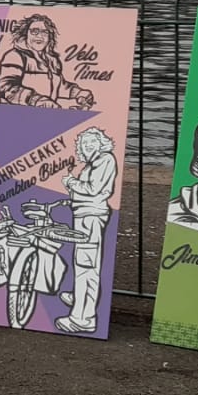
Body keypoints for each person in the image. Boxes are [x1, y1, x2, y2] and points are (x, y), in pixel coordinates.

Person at [57, 128, 118, 334]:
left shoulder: (105, 160)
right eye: (84, 143)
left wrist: (70, 182)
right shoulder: (93, 163)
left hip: (91, 216)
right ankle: (79, 297)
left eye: (92, 142)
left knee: (86, 265)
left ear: (101, 143)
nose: (87, 146)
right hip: (85, 214)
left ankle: (83, 318)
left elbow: (92, 189)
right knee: (83, 260)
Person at [0, 14, 95, 110]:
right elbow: (7, 87)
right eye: (34, 31)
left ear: (49, 37)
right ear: (25, 34)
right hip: (15, 113)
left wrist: (78, 93)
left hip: (43, 114)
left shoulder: (51, 60)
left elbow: (60, 86)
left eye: (44, 32)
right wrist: (35, 100)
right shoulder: (15, 56)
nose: (40, 36)